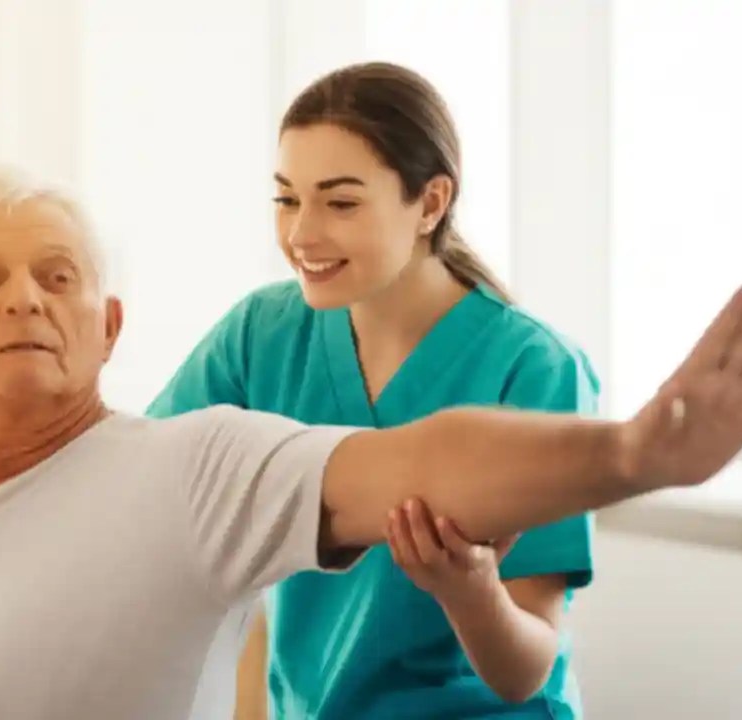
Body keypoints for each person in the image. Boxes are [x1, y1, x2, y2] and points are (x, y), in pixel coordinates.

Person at [0, 155, 742, 719]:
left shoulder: (189, 476)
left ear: (109, 327)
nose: (24, 299)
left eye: (58, 276)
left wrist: (629, 455)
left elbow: (419, 460)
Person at [145, 61, 596, 718]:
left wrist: (470, 593)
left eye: (341, 202)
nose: (302, 233)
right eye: (287, 199)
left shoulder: (534, 367)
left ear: (431, 203)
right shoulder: (258, 337)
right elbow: (146, 485)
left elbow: (525, 671)